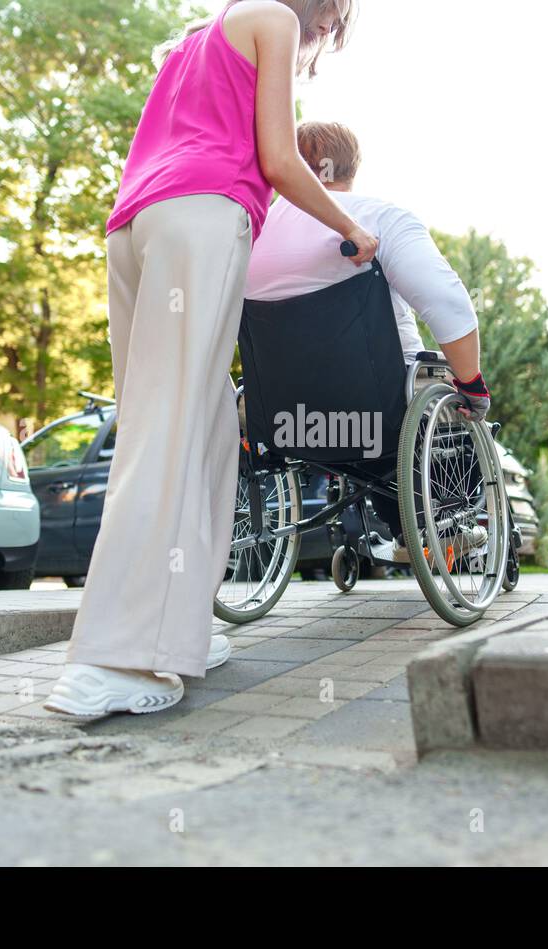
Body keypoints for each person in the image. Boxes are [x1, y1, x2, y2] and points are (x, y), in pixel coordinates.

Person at [46, 0, 374, 718]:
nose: (322, 39)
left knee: (196, 427)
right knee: (171, 433)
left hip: (135, 221)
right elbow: (280, 160)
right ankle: (118, 658)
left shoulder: (191, 40)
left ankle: (178, 633)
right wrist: (350, 226)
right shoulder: (275, 22)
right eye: (331, 25)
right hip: (203, 216)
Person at [244, 120, 490, 561]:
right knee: (442, 399)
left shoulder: (248, 235)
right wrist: (471, 384)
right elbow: (448, 305)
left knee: (377, 420)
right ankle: (439, 520)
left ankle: (392, 525)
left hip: (281, 418)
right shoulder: (377, 218)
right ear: (341, 166)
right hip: (378, 409)